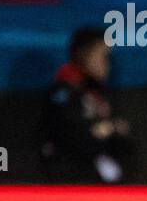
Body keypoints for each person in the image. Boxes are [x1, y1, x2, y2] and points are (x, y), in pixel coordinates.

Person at [40, 27, 135, 183]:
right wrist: (105, 129)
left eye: (110, 58)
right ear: (83, 55)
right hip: (67, 184)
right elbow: (67, 134)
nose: (108, 64)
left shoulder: (98, 93)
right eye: (104, 57)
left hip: (97, 181)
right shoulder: (64, 91)